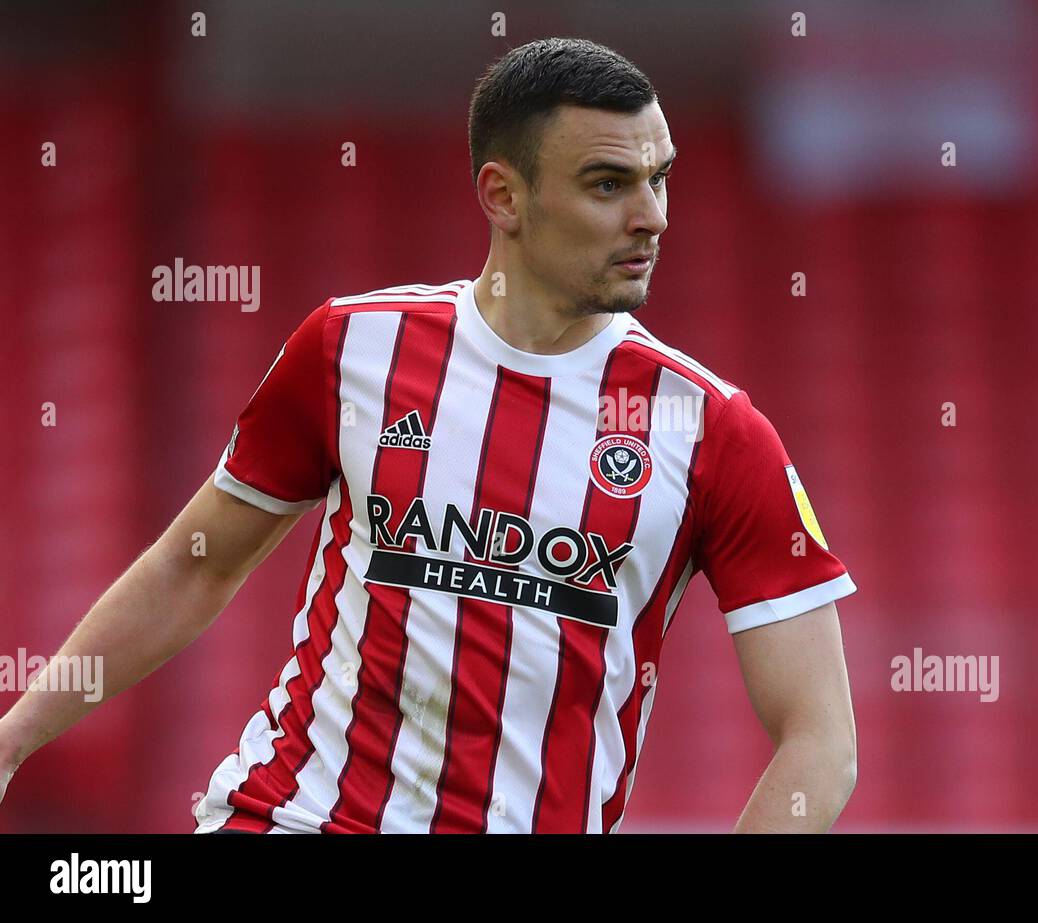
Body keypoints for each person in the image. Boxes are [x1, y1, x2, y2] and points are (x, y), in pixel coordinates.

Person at [0, 37, 857, 834]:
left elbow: (820, 740)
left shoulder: (711, 427)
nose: (651, 216)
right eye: (608, 184)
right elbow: (196, 565)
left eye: (659, 179)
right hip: (296, 815)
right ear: (503, 196)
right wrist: (13, 739)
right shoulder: (352, 348)